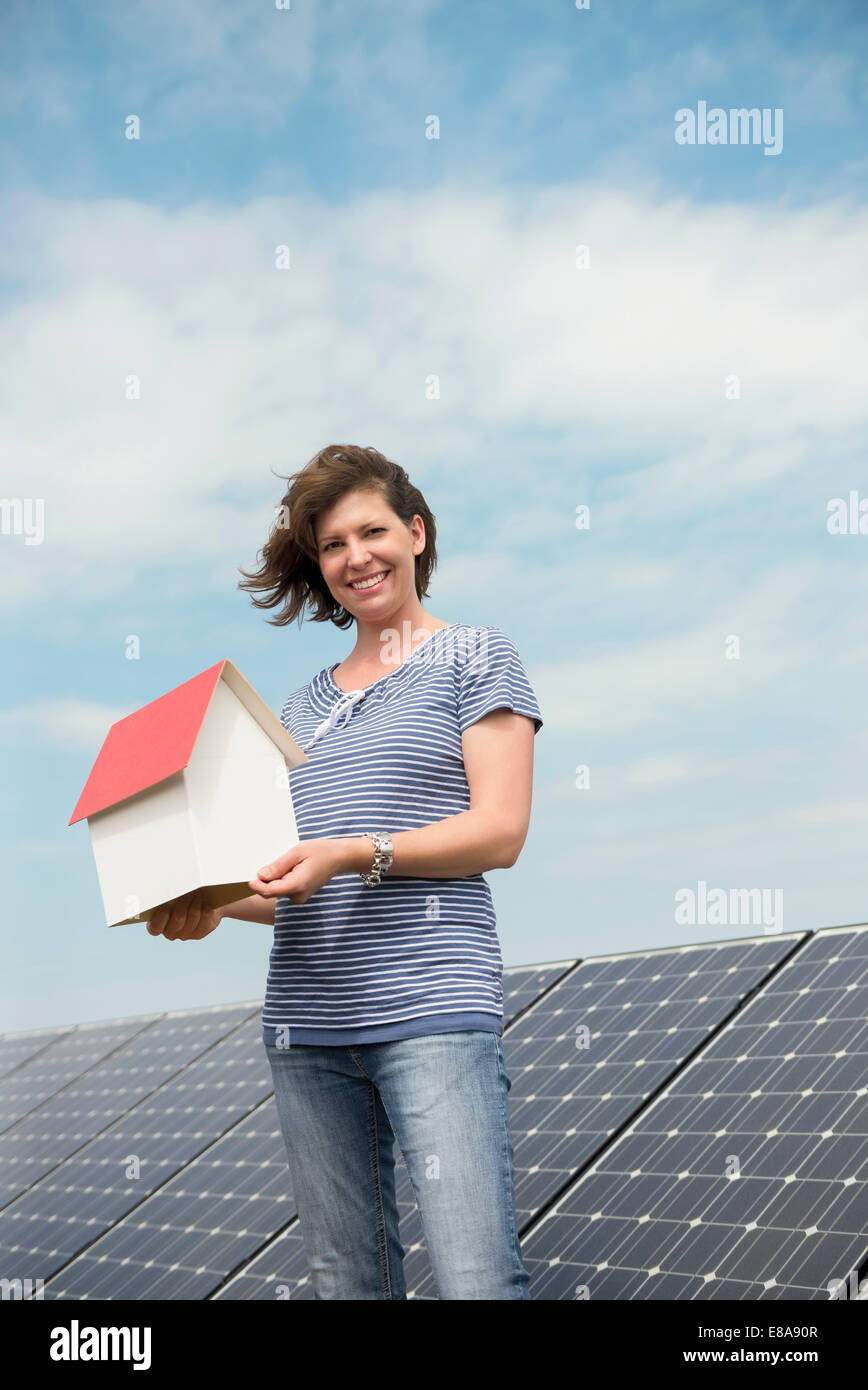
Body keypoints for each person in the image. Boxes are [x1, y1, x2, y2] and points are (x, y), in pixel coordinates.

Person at [146, 443, 544, 1300]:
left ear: (417, 533)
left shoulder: (477, 657)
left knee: (476, 1279)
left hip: (433, 1013)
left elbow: (500, 830)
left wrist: (356, 850)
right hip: (307, 1030)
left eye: (373, 532)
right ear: (318, 565)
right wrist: (215, 903)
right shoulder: (297, 711)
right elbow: (292, 880)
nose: (356, 556)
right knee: (344, 1282)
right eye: (332, 544)